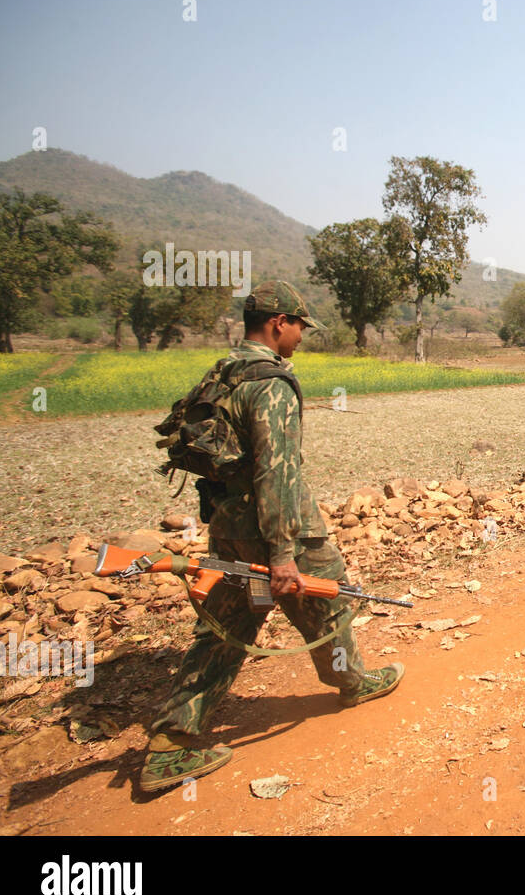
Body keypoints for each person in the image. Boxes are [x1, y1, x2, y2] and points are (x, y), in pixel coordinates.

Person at [139, 281, 405, 793]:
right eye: (301, 325)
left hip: (231, 528)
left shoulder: (222, 374)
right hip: (280, 529)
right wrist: (283, 555)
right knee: (330, 597)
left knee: (225, 625)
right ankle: (353, 682)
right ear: (279, 321)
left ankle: (171, 741)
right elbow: (276, 473)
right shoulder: (270, 383)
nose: (303, 335)